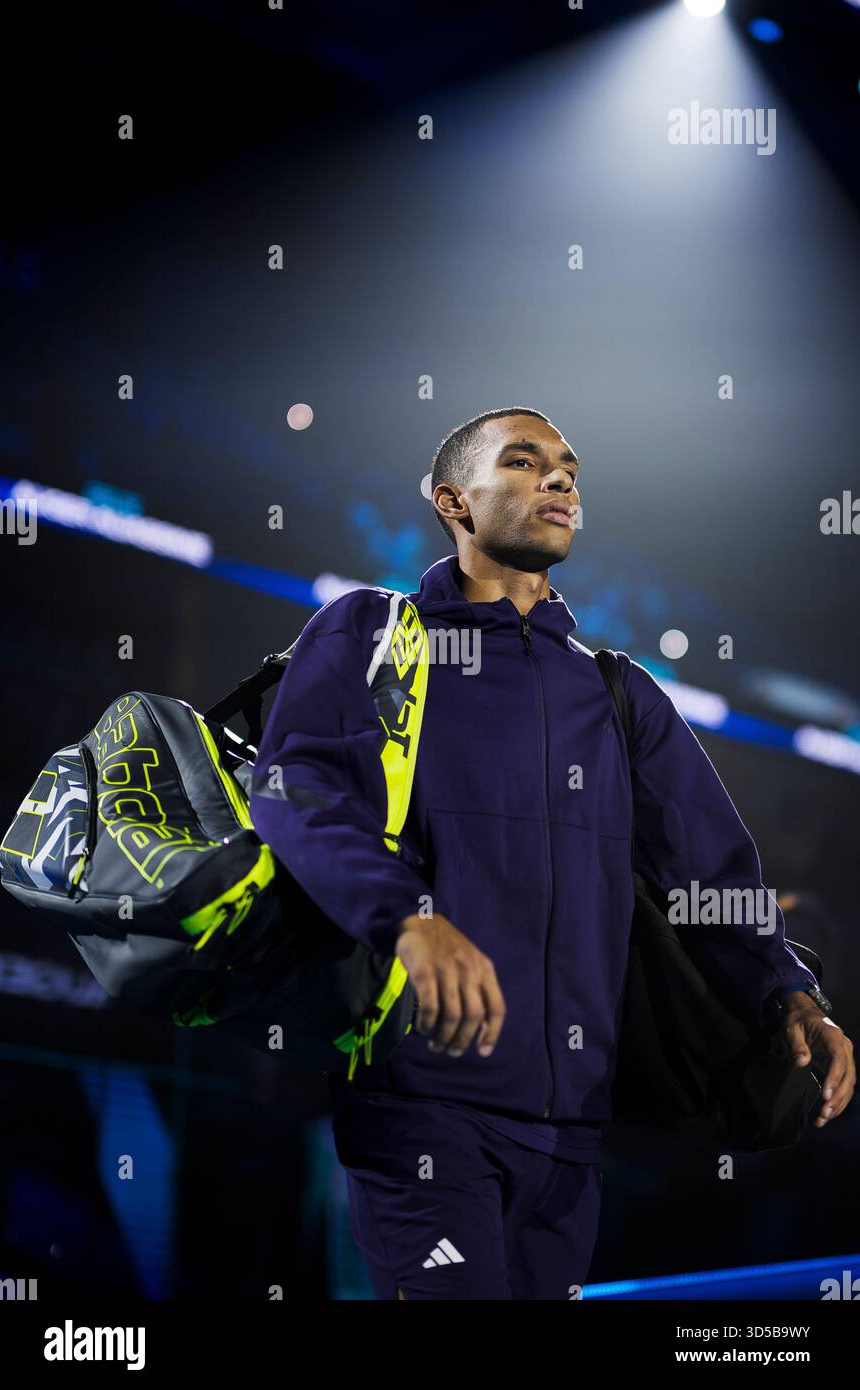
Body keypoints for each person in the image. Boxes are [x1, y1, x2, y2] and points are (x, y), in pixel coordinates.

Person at [249, 406, 855, 1300]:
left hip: (573, 1134)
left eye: (568, 466)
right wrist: (409, 919)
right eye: (525, 461)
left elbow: (713, 870)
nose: (560, 479)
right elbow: (295, 792)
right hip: (420, 1104)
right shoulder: (374, 636)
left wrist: (787, 989)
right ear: (454, 500)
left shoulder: (619, 693)